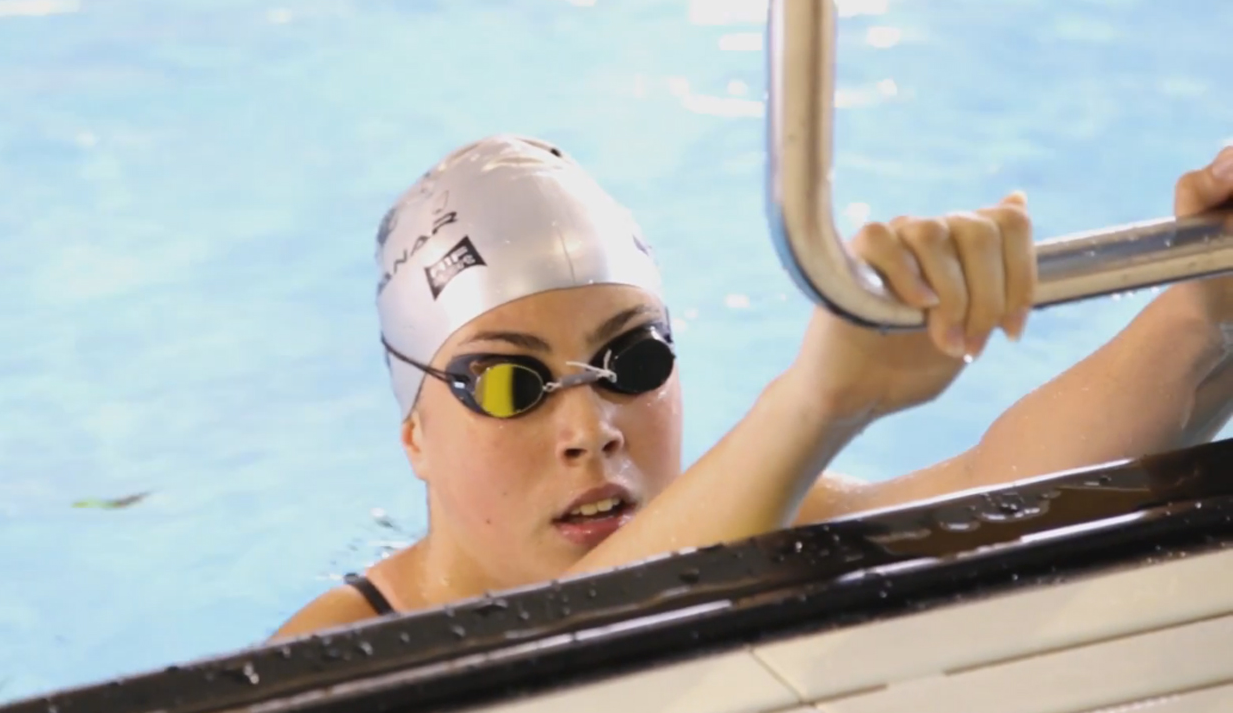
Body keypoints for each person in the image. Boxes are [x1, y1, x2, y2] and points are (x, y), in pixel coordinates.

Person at [271, 135, 1233, 637]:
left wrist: (1201, 311)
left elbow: (1006, 484)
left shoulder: (753, 507)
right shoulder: (324, 656)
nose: (593, 428)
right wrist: (818, 402)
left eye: (633, 361)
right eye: (513, 383)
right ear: (414, 436)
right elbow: (533, 659)